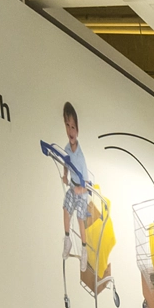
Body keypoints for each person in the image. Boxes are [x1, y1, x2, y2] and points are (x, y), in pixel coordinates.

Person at [58, 101, 91, 256]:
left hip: (83, 191)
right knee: (66, 208)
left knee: (79, 217)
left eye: (72, 127)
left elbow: (89, 184)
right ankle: (67, 240)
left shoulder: (80, 157)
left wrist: (81, 189)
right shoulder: (66, 149)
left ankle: (84, 248)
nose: (70, 130)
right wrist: (65, 175)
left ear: (77, 130)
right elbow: (65, 161)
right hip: (72, 187)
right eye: (67, 125)